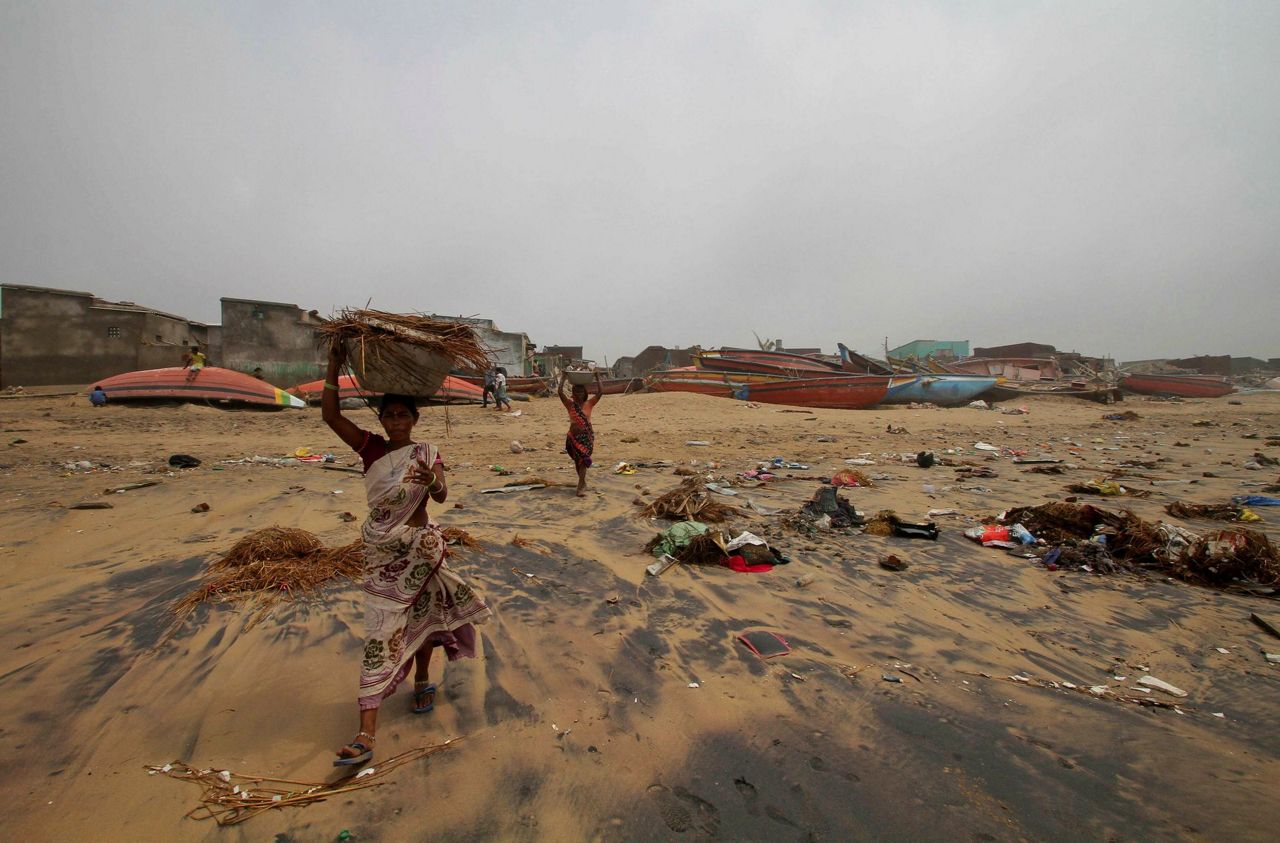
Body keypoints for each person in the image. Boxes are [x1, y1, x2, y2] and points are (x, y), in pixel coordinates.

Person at [321, 341, 491, 768]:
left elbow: (443, 492)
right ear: (382, 420)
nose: (396, 421)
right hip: (382, 555)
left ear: (415, 419)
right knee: (380, 634)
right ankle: (365, 734)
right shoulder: (371, 449)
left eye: (403, 415)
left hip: (421, 551)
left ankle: (421, 677)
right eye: (390, 415)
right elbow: (330, 416)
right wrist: (332, 365)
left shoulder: (427, 452)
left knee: (425, 619)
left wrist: (429, 483)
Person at [559, 371, 602, 496]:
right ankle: (582, 483)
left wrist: (598, 376)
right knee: (577, 461)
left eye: (581, 391)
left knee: (583, 460)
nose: (579, 394)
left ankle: (580, 486)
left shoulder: (589, 404)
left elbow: (600, 393)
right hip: (573, 437)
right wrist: (563, 378)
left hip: (586, 437)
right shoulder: (569, 405)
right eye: (576, 392)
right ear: (573, 393)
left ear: (585, 393)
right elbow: (560, 393)